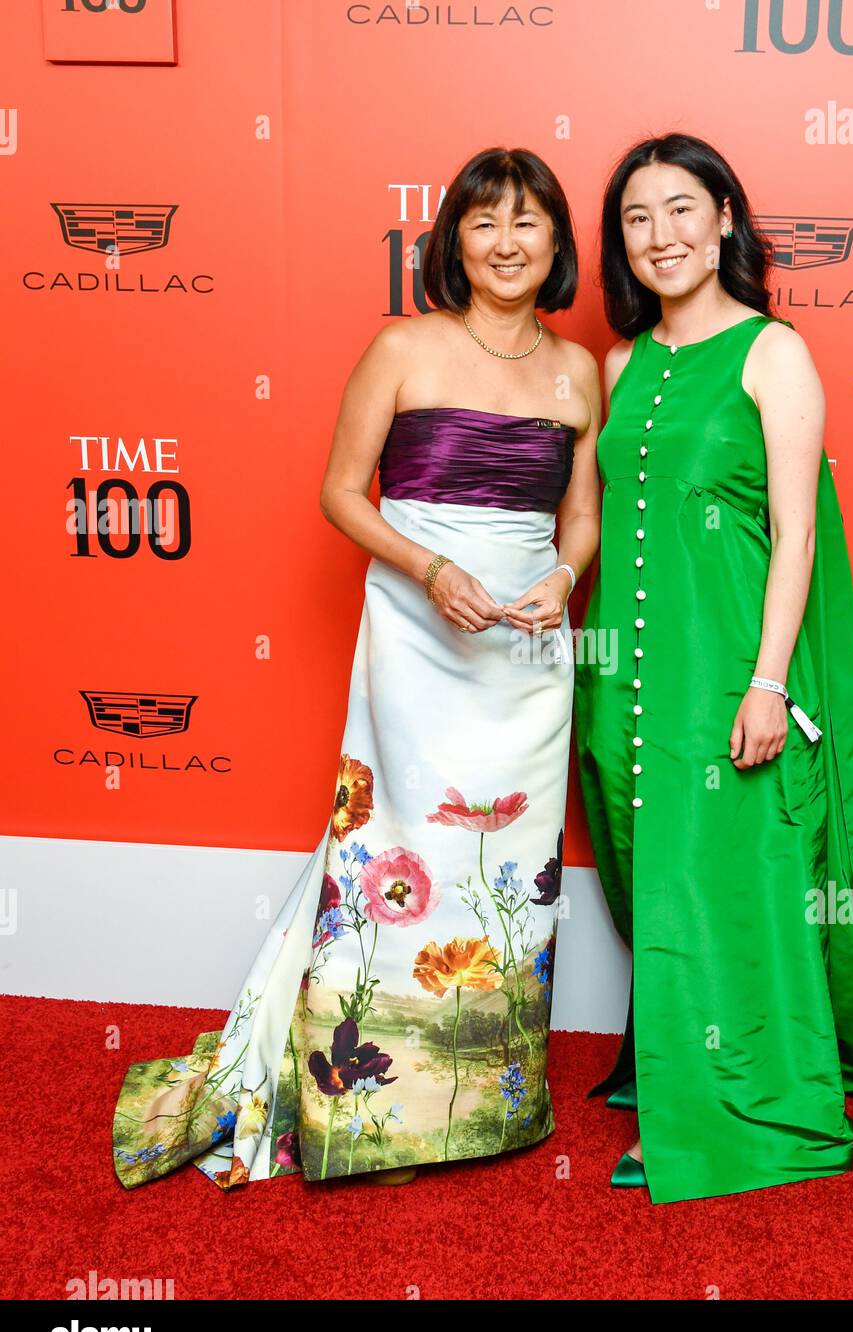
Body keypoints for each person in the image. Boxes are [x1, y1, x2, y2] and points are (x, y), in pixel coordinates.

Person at [112, 146, 601, 1190]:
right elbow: (341, 492)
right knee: (398, 853)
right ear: (451, 244)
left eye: (528, 222)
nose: (507, 242)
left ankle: (479, 1102)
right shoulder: (403, 348)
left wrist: (563, 577)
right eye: (484, 223)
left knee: (500, 872)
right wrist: (428, 568)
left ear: (557, 242)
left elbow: (582, 513)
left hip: (526, 647)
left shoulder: (577, 369)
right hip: (419, 633)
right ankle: (360, 1103)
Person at [574, 132, 853, 1204]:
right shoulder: (621, 362)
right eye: (638, 218)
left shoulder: (771, 353)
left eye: (682, 208)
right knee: (655, 877)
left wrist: (768, 682)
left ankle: (710, 1107)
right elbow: (605, 519)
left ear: (727, 219)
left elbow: (796, 534)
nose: (662, 235)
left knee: (718, 884)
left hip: (723, 665)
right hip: (627, 672)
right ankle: (676, 1066)